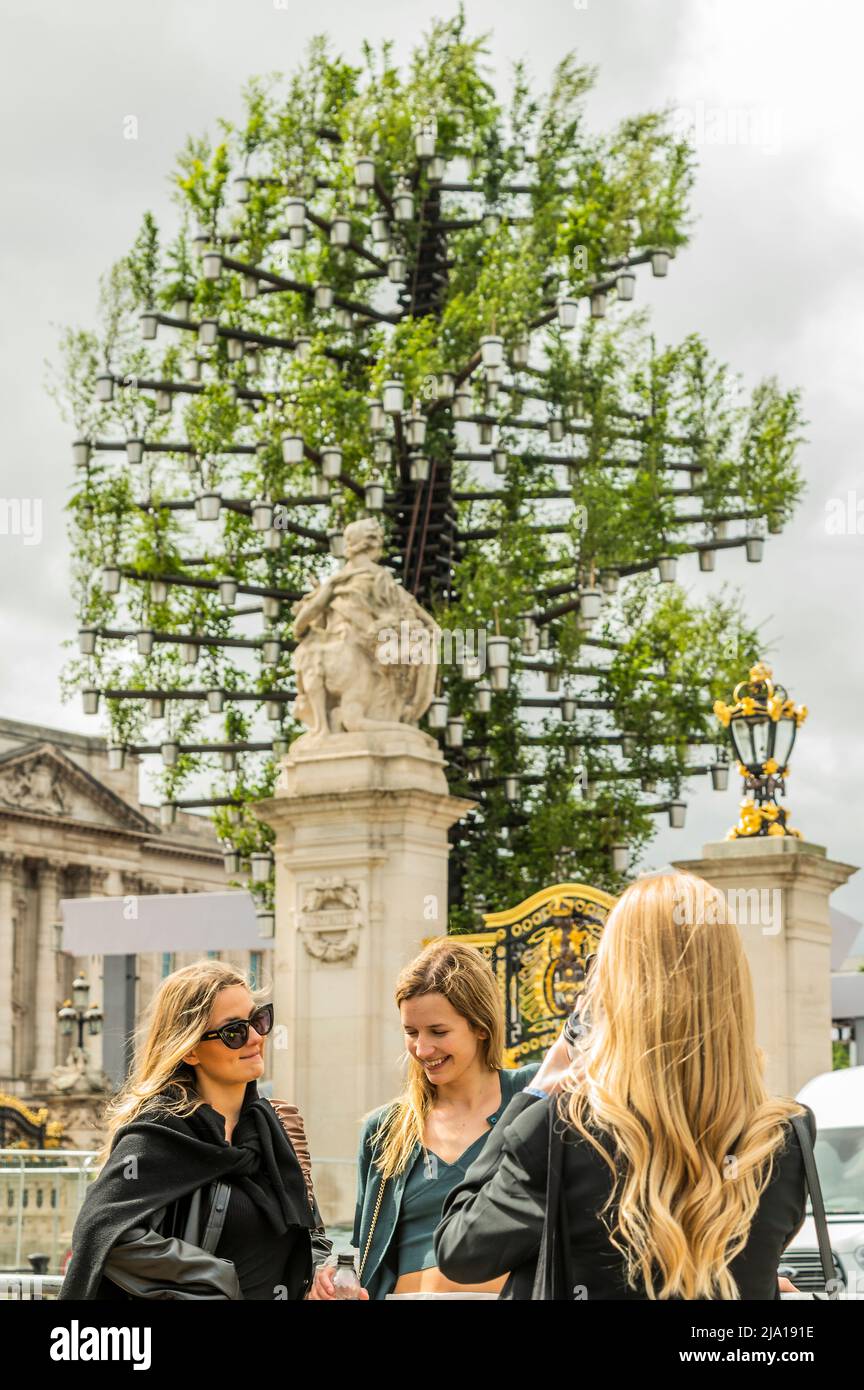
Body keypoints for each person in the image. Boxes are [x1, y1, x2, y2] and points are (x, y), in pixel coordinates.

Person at [434, 871, 816, 1300]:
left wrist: (538, 1089)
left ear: (616, 986)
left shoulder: (563, 1129)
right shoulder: (786, 1134)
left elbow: (461, 1250)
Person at [60, 959, 330, 1300]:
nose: (255, 1038)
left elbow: (310, 1231)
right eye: (234, 1031)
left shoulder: (277, 1127)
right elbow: (101, 1229)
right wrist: (213, 1277)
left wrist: (322, 1275)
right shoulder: (159, 1130)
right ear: (189, 1050)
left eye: (258, 1020)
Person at [324, 939, 540, 1301]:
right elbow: (363, 1249)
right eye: (411, 1032)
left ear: (481, 1026)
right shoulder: (385, 1128)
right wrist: (331, 1276)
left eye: (438, 1032)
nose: (422, 1049)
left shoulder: (532, 1096)